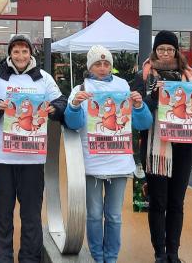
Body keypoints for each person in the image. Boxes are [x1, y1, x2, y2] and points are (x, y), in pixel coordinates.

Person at [0, 34, 68, 263]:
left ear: (31, 53)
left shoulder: (44, 78)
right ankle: (3, 258)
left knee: (31, 214)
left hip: (33, 158)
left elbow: (62, 103)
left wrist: (53, 109)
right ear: (10, 53)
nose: (20, 55)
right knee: (2, 213)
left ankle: (30, 258)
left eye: (24, 51)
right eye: (16, 51)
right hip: (2, 158)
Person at [64, 45, 153, 263]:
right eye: (97, 64)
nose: (102, 68)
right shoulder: (80, 89)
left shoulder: (123, 86)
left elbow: (144, 123)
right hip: (92, 163)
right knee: (94, 215)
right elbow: (72, 124)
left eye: (106, 64)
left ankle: (111, 258)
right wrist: (75, 106)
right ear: (89, 67)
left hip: (119, 164)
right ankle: (97, 256)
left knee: (114, 216)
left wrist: (140, 106)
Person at [134, 30, 192, 263]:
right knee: (158, 201)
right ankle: (159, 252)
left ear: (175, 51)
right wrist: (154, 95)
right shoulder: (143, 76)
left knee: (176, 202)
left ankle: (174, 252)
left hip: (183, 146)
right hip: (155, 146)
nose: (165, 53)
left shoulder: (189, 76)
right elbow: (138, 111)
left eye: (169, 49)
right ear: (155, 51)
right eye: (161, 49)